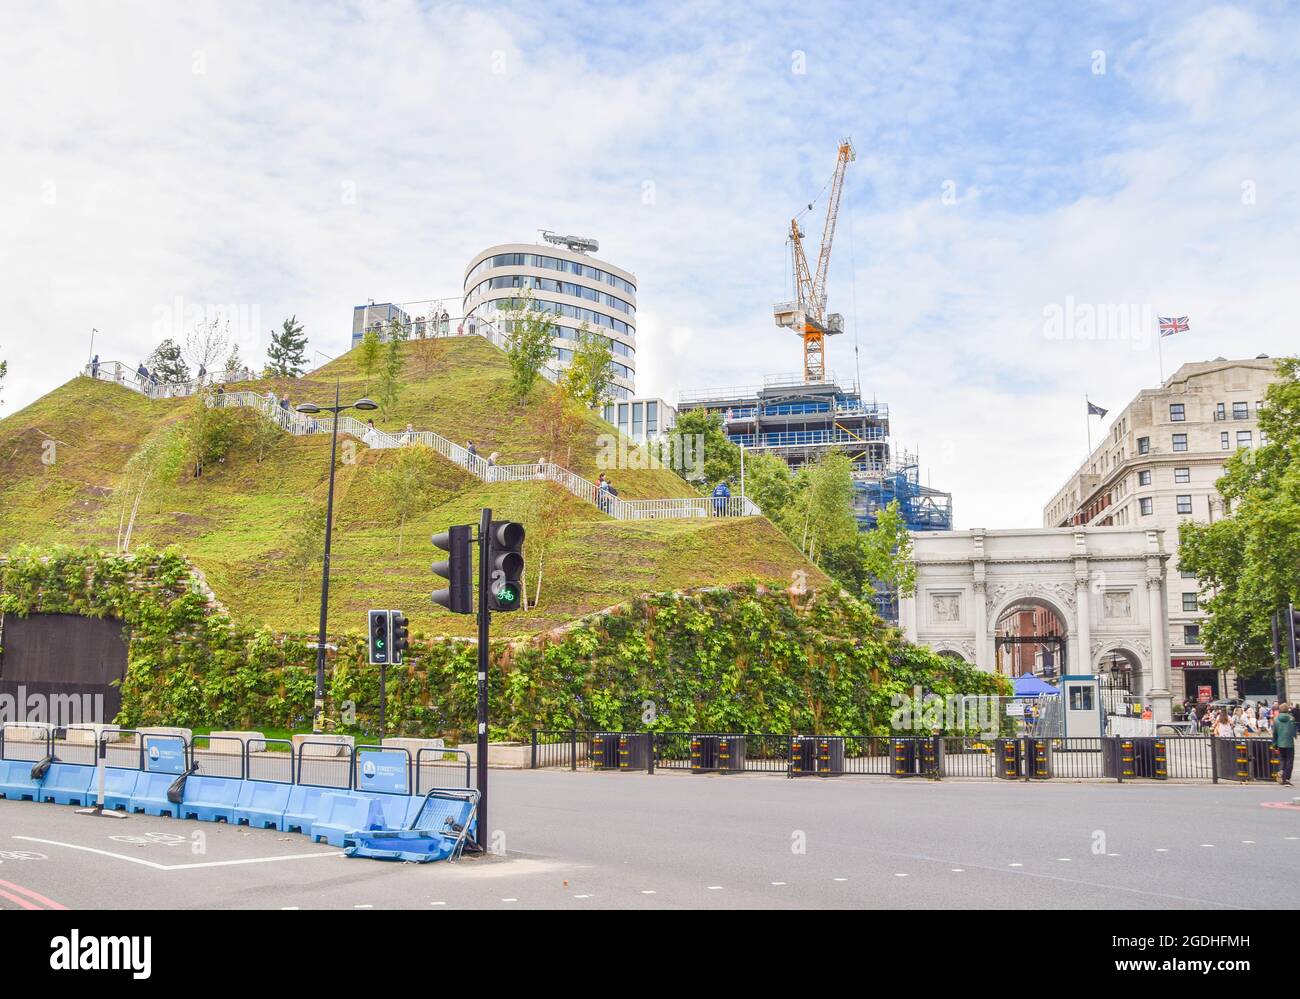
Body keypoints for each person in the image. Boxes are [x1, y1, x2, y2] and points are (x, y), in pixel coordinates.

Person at [1273, 703, 1296, 787]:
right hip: (1289, 743)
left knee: (1282, 759)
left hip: (1280, 743)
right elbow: (1293, 731)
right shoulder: (1291, 719)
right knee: (1289, 761)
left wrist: (1275, 744)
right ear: (1287, 710)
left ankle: (1281, 771)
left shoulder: (1276, 719)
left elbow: (1274, 733)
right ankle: (1286, 779)